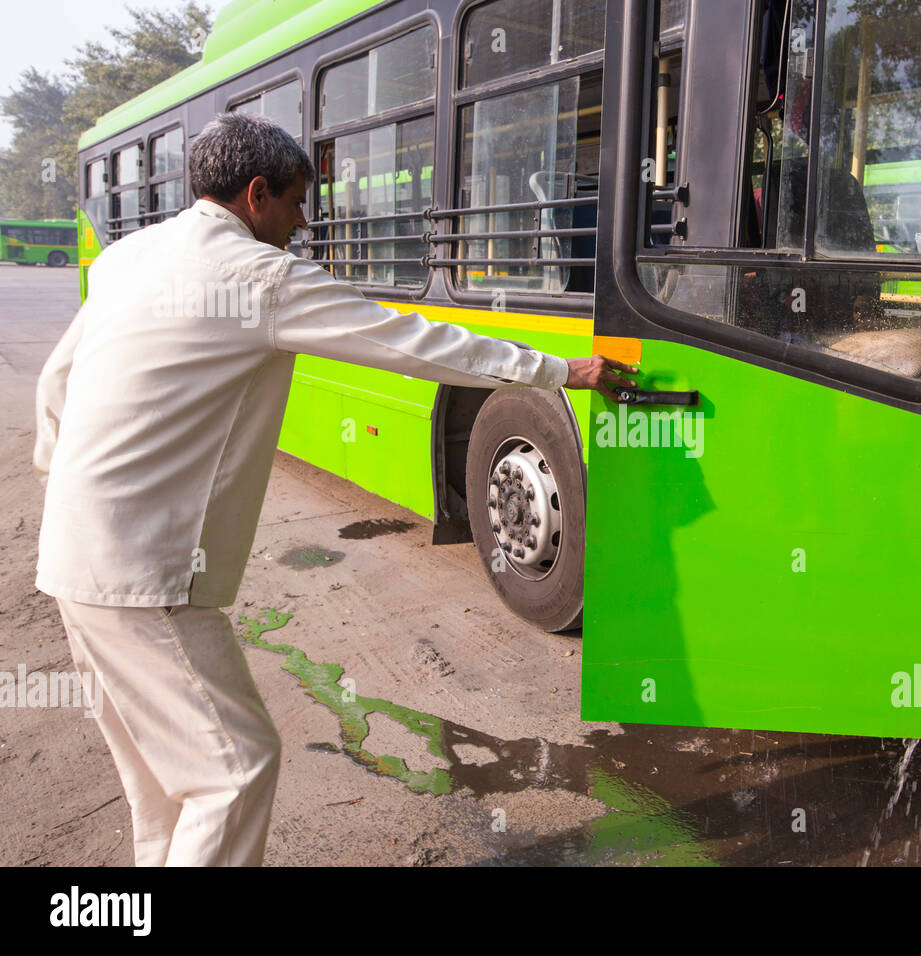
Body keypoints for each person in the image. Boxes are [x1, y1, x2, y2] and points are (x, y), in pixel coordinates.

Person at [31, 112, 636, 866]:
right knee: (233, 772)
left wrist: (73, 491)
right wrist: (559, 369)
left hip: (72, 558)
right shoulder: (259, 277)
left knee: (163, 784)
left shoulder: (129, 258)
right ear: (257, 196)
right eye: (295, 202)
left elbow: (56, 385)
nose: (302, 220)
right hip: (145, 578)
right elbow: (413, 342)